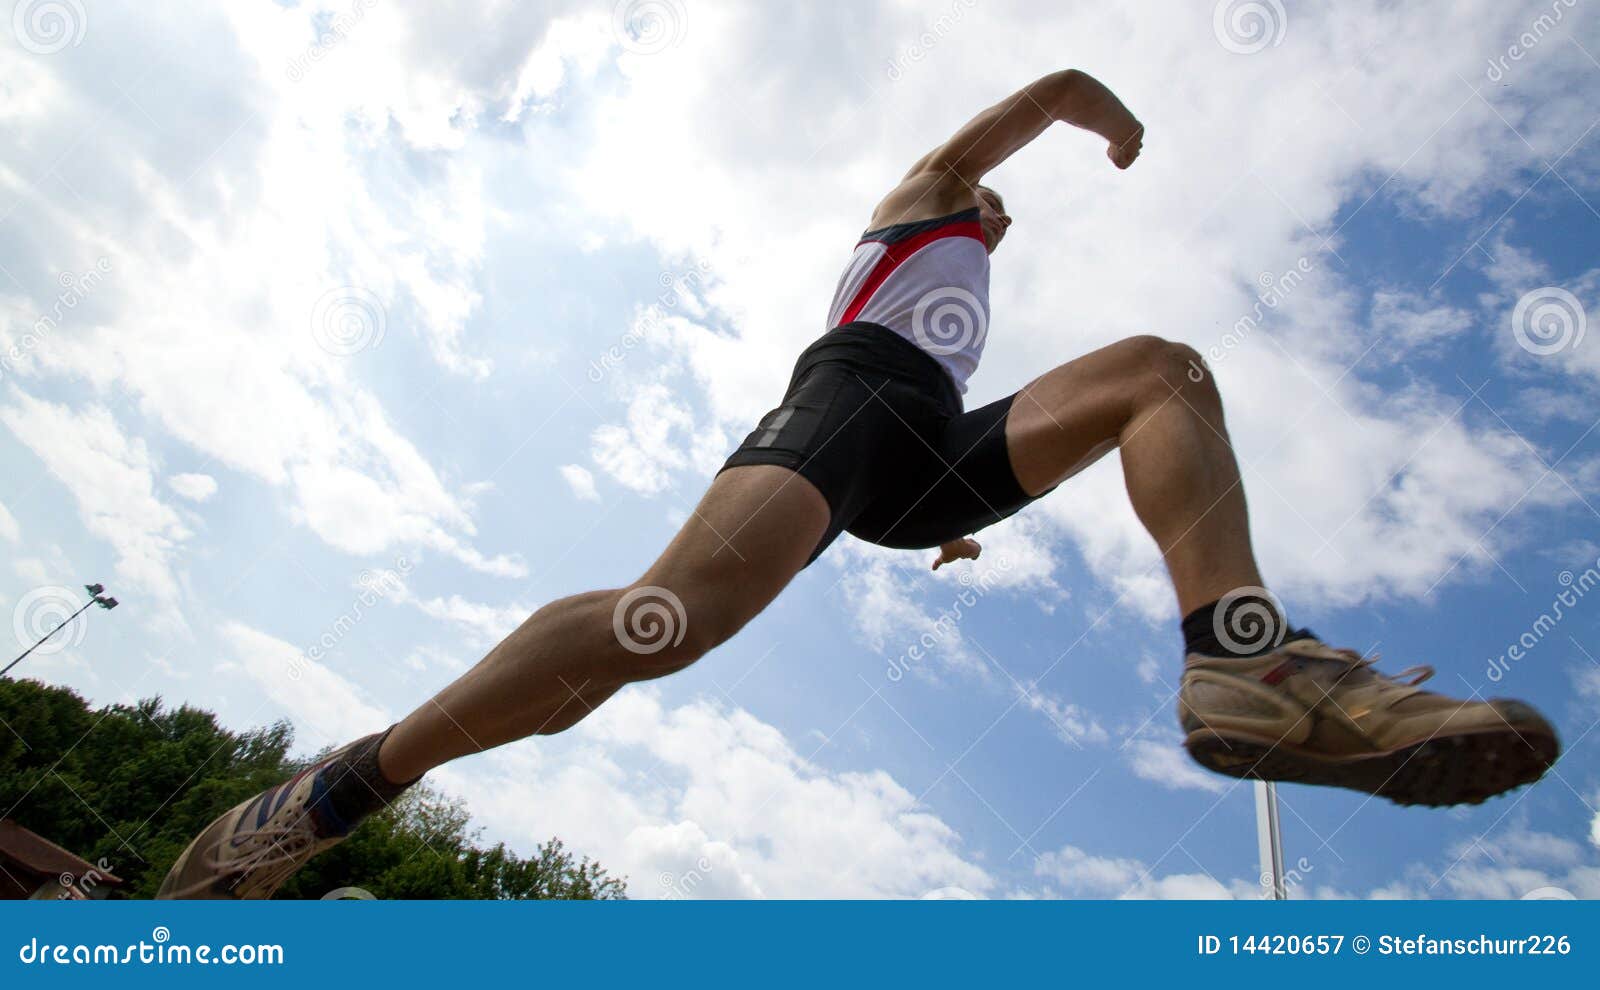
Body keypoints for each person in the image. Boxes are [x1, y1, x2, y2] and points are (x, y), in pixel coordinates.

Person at [158, 69, 1559, 899]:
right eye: (985, 212)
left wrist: (949, 522)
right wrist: (1114, 127)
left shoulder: (965, 284)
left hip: (924, 448)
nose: (998, 221)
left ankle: (1248, 663)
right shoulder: (925, 193)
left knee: (1159, 373)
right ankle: (341, 786)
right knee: (661, 628)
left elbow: (971, 402)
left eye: (998, 219)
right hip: (843, 404)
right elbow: (1056, 91)